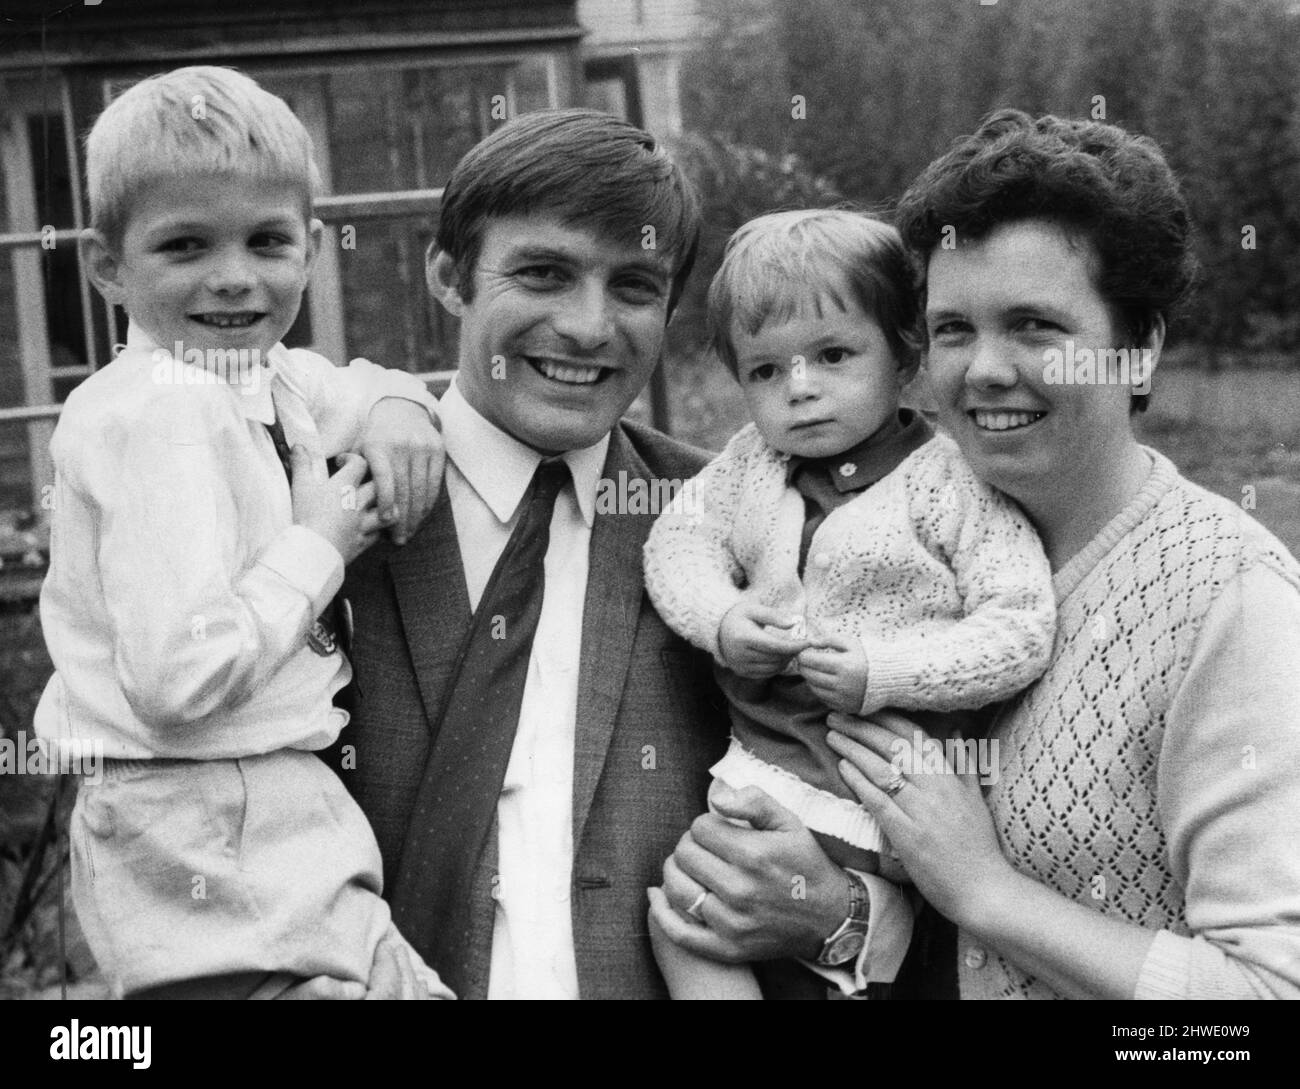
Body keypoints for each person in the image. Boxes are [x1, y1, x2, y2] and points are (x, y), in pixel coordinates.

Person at [665, 108, 1300, 999]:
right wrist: (844, 917)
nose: (984, 370)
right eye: (955, 329)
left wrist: (988, 892)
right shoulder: (907, 537)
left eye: (1035, 326)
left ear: (1141, 344)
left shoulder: (1229, 602)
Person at [35, 66, 451, 1000]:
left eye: (266, 242)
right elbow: (177, 677)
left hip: (281, 800)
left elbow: (359, 383)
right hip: (188, 813)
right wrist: (320, 546)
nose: (233, 278)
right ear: (108, 266)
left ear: (309, 247)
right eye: (184, 246)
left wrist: (396, 408)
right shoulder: (156, 413)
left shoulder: (269, 377)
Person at [330, 108, 737, 1000]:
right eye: (545, 273)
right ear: (449, 275)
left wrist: (847, 908)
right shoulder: (324, 513)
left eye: (633, 286)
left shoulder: (726, 518)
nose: (589, 327)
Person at [641, 209, 1055, 998]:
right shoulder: (751, 465)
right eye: (766, 371)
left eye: (833, 355)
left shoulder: (952, 480)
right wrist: (723, 620)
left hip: (882, 796)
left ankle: (857, 945)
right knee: (684, 914)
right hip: (762, 771)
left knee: (750, 920)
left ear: (903, 357)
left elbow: (1020, 627)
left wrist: (884, 669)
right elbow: (676, 545)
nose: (800, 389)